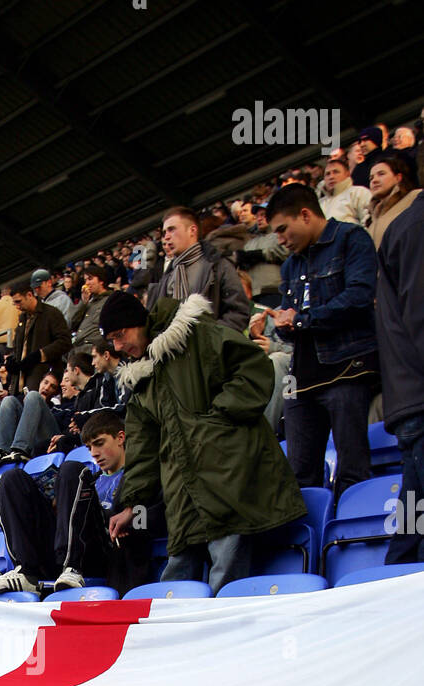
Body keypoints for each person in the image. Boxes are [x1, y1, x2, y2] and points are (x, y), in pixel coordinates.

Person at [98, 291, 306, 594]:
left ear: (140, 322)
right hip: (184, 496)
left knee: (226, 580)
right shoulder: (141, 382)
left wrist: (216, 424)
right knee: (176, 588)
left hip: (228, 477)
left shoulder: (194, 334)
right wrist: (132, 505)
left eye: (121, 335)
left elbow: (253, 368)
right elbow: (142, 453)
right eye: (112, 341)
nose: (118, 346)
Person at [268, 182, 379, 496]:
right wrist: (282, 323)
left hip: (346, 368)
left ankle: (350, 541)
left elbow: (359, 297)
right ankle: (311, 544)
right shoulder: (290, 265)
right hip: (302, 378)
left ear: (304, 215)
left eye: (282, 230)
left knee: (352, 469)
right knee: (301, 478)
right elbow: (292, 321)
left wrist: (301, 319)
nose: (279, 240)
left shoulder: (350, 238)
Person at [0, 408, 159, 596]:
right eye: (90, 448)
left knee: (72, 470)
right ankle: (25, 571)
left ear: (120, 437)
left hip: (105, 553)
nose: (95, 454)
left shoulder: (139, 479)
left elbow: (152, 517)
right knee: (11, 479)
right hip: (63, 548)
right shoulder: (94, 479)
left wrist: (129, 522)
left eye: (99, 444)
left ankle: (73, 566)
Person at [378, 193, 424, 565]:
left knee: (411, 529)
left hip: (410, 404)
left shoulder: (403, 227)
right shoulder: (417, 226)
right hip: (419, 403)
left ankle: (387, 598)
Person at [146, 207, 251, 332]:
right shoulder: (167, 277)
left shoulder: (218, 265)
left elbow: (238, 311)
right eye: (164, 233)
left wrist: (211, 339)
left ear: (192, 230)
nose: (166, 237)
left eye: (171, 229)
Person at [7, 281, 72, 394]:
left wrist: (40, 354)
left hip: (42, 377)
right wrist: (12, 360)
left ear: (29, 295)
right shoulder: (22, 318)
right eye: (15, 303)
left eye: (19, 302)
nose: (17, 307)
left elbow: (65, 341)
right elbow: (18, 346)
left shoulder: (51, 313)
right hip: (21, 381)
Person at [366, 155, 420, 249]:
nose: (374, 180)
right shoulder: (372, 217)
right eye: (371, 178)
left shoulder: (415, 197)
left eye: (381, 174)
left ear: (398, 177)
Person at [319, 154, 371, 225]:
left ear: (347, 174)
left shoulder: (358, 192)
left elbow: (368, 220)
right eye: (327, 174)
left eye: (336, 172)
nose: (331, 177)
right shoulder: (320, 203)